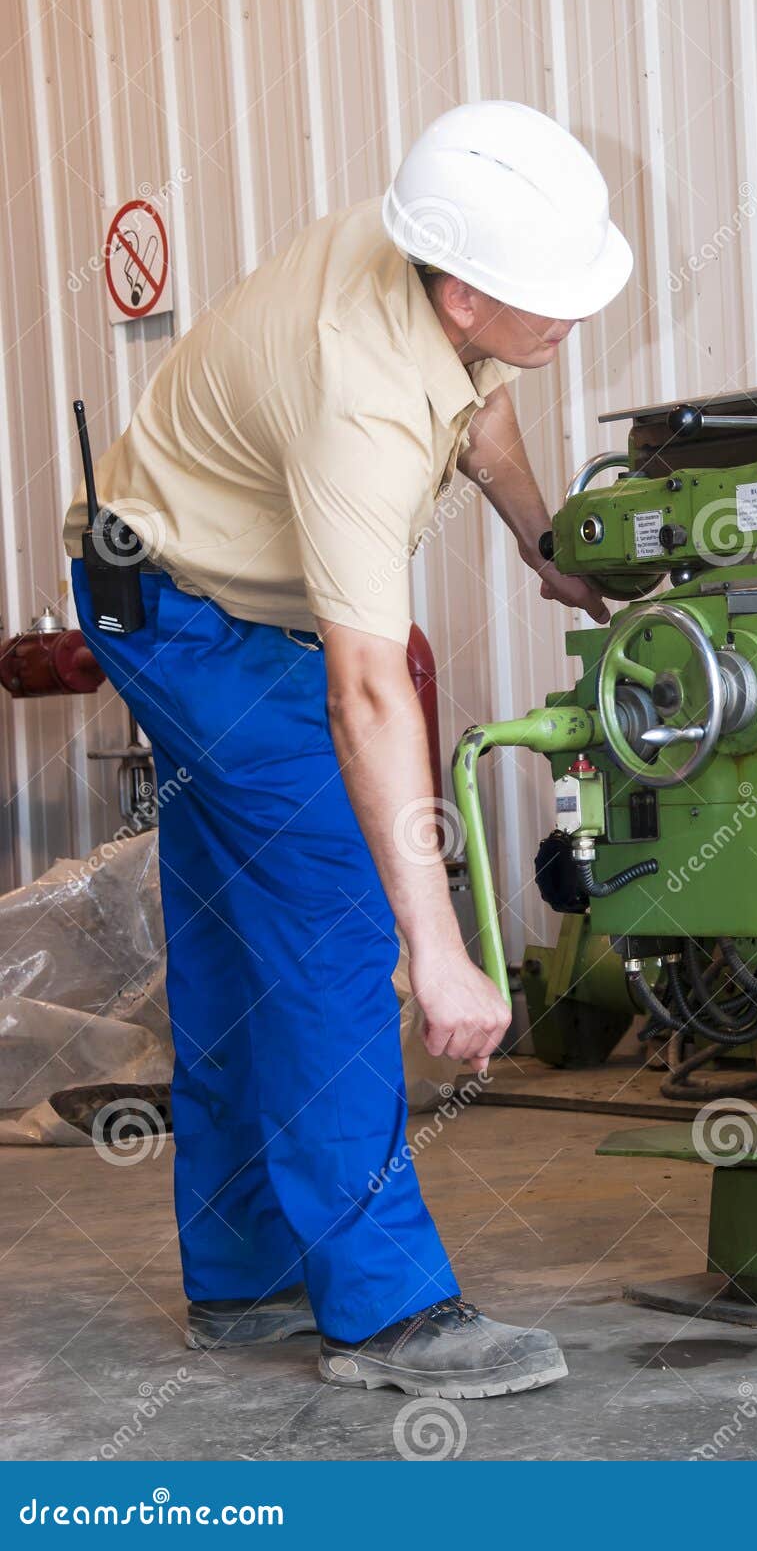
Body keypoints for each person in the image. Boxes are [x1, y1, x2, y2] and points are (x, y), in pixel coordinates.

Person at [63, 101, 632, 1399]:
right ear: (464, 293)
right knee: (327, 911)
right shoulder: (359, 400)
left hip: (172, 583)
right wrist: (436, 948)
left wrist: (545, 544)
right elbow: (369, 693)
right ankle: (384, 1310)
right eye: (548, 296)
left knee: (233, 930)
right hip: (194, 618)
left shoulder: (433, 259)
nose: (573, 316)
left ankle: (244, 1274)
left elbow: (479, 412)